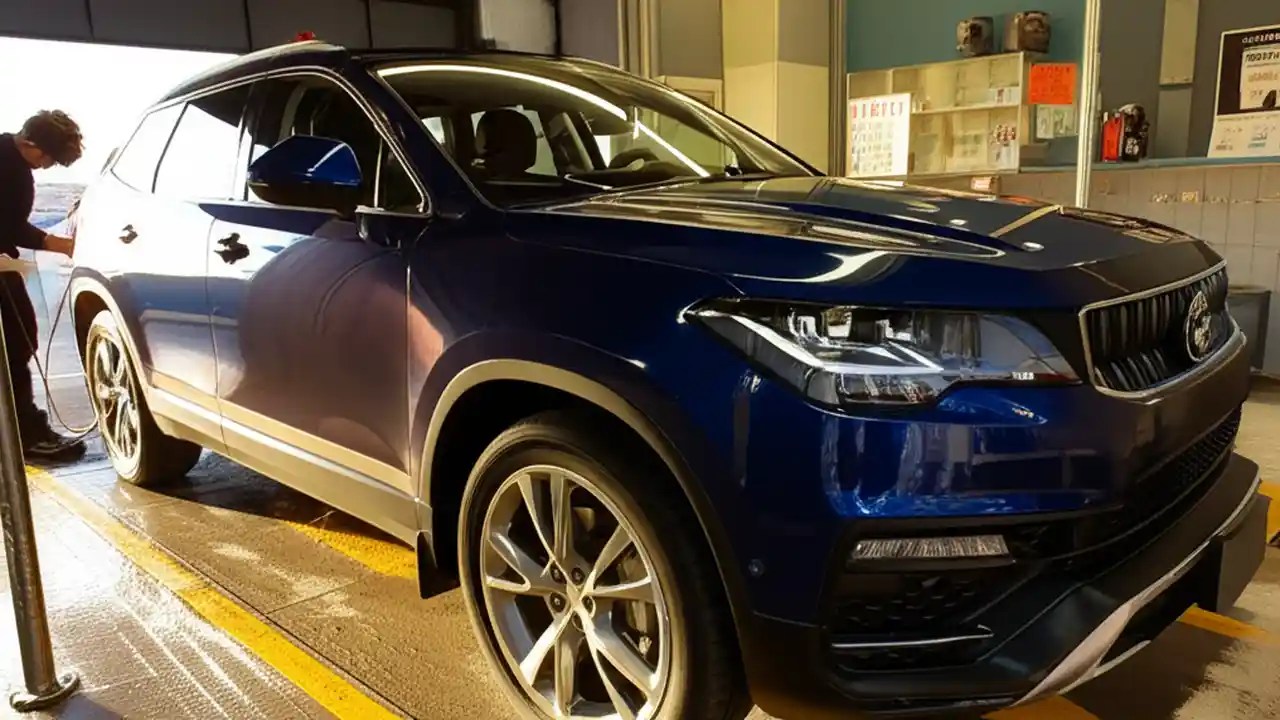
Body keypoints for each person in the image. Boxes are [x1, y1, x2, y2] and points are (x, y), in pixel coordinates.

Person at [0, 110, 85, 461]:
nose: (47, 166)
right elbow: (9, 225)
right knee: (15, 345)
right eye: (48, 158)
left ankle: (21, 430)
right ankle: (26, 436)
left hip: (4, 262)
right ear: (30, 143)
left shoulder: (15, 163)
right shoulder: (10, 168)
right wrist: (56, 244)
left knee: (19, 343)